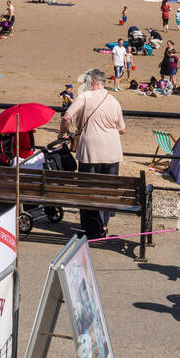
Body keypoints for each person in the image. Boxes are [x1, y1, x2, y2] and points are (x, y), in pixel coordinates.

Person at [60, 68, 126, 239]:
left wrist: (62, 134)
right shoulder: (113, 100)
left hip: (90, 148)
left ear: (90, 82)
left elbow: (66, 117)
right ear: (103, 82)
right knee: (108, 188)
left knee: (89, 188)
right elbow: (122, 129)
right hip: (112, 149)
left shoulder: (84, 97)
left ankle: (92, 227)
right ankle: (103, 224)